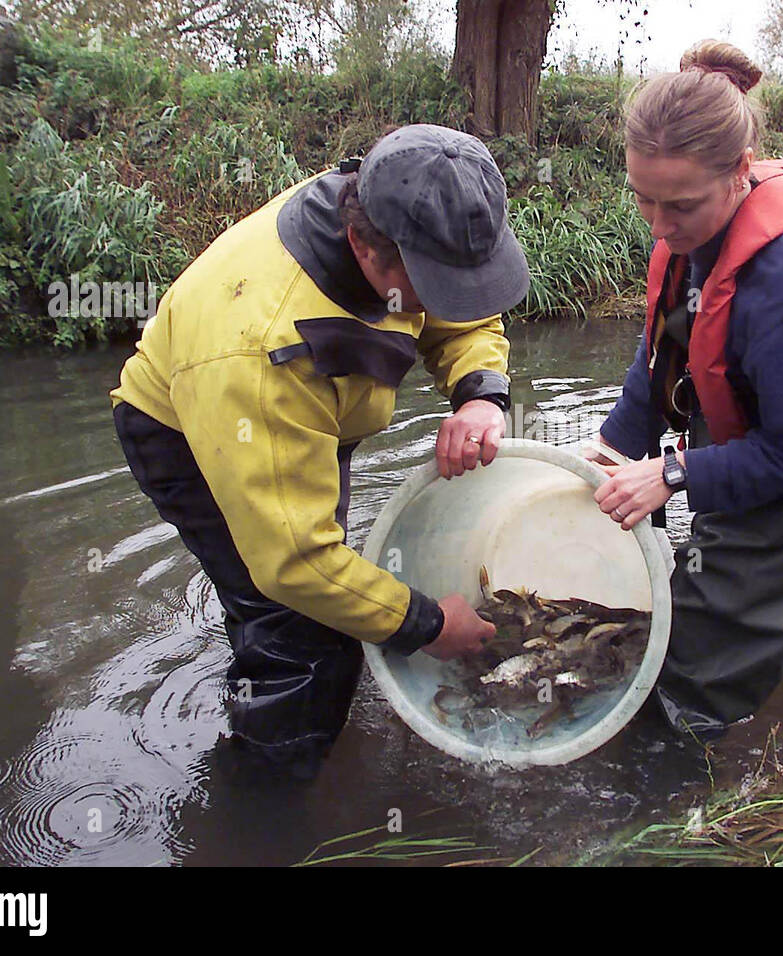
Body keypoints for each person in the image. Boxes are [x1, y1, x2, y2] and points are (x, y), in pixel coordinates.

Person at [110, 124, 529, 775]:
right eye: (437, 283)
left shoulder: (401, 209)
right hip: (193, 434)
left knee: (337, 606)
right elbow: (297, 563)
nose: (451, 297)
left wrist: (480, 394)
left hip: (303, 420)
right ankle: (268, 798)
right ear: (362, 244)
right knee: (302, 632)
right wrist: (424, 623)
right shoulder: (260, 348)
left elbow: (463, 314)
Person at [588, 41, 783, 739]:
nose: (660, 227)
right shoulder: (688, 231)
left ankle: (685, 815)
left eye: (679, 207)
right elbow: (661, 363)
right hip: (756, 435)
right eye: (644, 199)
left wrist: (672, 471)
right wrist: (608, 448)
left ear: (741, 173)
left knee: (684, 669)